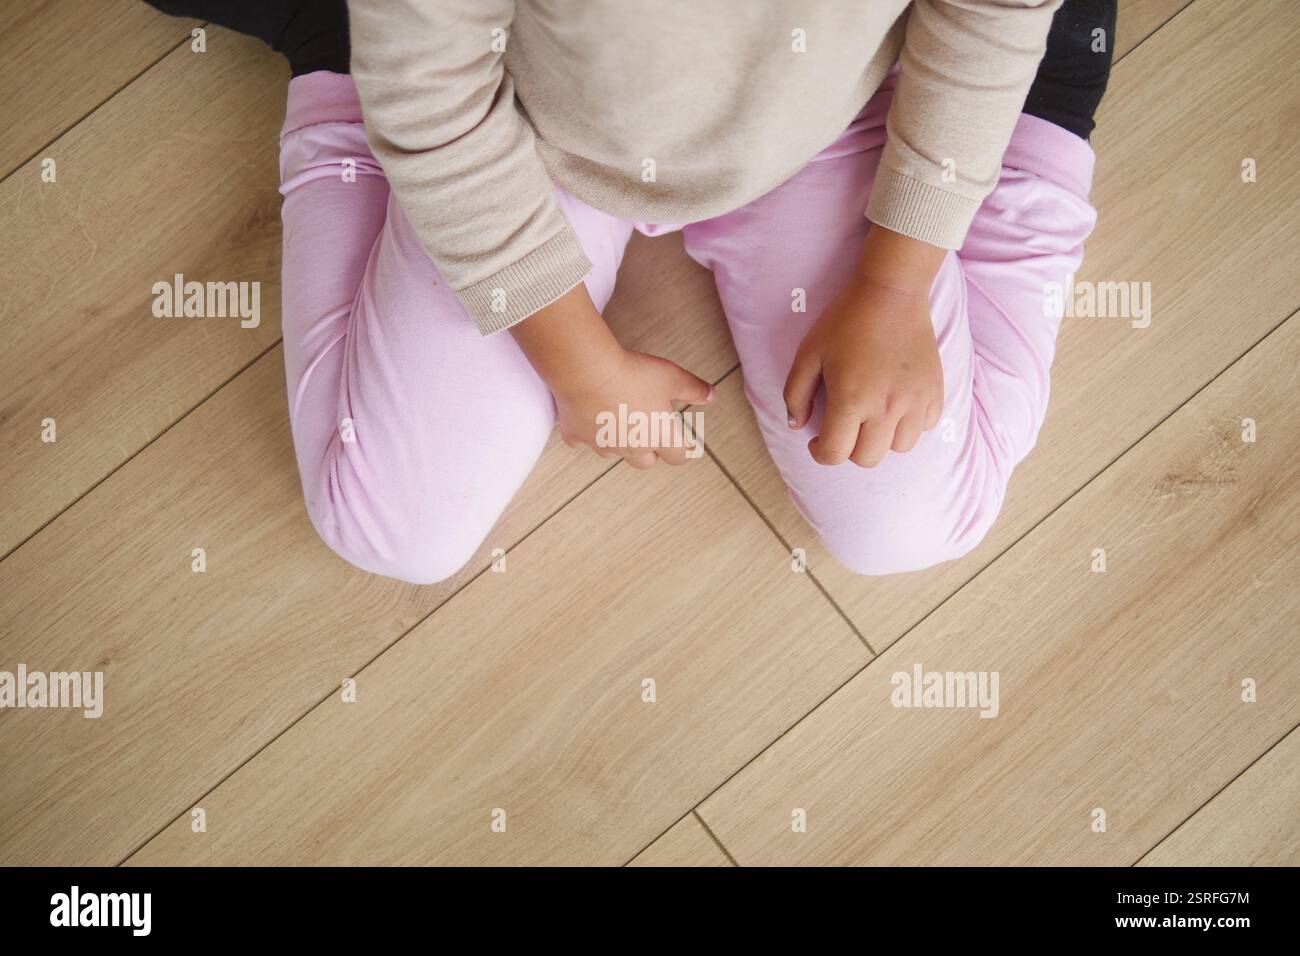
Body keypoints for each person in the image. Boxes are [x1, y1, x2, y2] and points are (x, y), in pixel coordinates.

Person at [145, 0, 1114, 583]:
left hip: (839, 112)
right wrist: (582, 369)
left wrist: (897, 281)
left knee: (906, 526)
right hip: (531, 125)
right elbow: (434, 106)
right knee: (389, 527)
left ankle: (1042, 103)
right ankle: (339, 35)